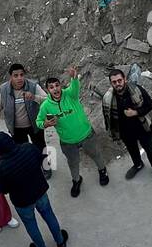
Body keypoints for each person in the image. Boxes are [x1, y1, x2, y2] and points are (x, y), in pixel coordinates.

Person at [36, 66, 108, 196]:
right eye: (51, 87)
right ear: (48, 90)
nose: (55, 89)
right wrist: (45, 124)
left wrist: (74, 77)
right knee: (73, 163)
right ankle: (76, 180)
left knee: (96, 154)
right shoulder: (46, 106)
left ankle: (102, 171)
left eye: (57, 85)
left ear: (60, 86)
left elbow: (75, 86)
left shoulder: (70, 94)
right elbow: (38, 122)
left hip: (86, 135)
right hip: (68, 142)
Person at [0, 132, 67, 247]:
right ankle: (60, 242)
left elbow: (3, 189)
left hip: (22, 201)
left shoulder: (1, 167)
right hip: (39, 191)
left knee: (31, 224)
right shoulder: (28, 148)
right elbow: (40, 160)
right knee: (49, 215)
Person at [102, 68, 152, 181]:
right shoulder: (108, 98)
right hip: (125, 132)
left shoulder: (136, 90)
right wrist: (112, 132)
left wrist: (135, 112)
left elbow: (150, 104)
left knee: (150, 149)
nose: (118, 84)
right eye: (114, 82)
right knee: (132, 150)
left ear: (124, 79)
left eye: (119, 80)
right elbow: (107, 116)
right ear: (111, 83)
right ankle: (138, 165)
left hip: (143, 128)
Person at [0, 62, 47, 147]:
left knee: (41, 148)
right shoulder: (3, 89)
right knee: (22, 151)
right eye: (16, 76)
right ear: (11, 77)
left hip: (35, 126)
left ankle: (43, 160)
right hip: (16, 130)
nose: (19, 78)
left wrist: (34, 97)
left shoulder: (34, 87)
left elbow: (48, 101)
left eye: (21, 75)